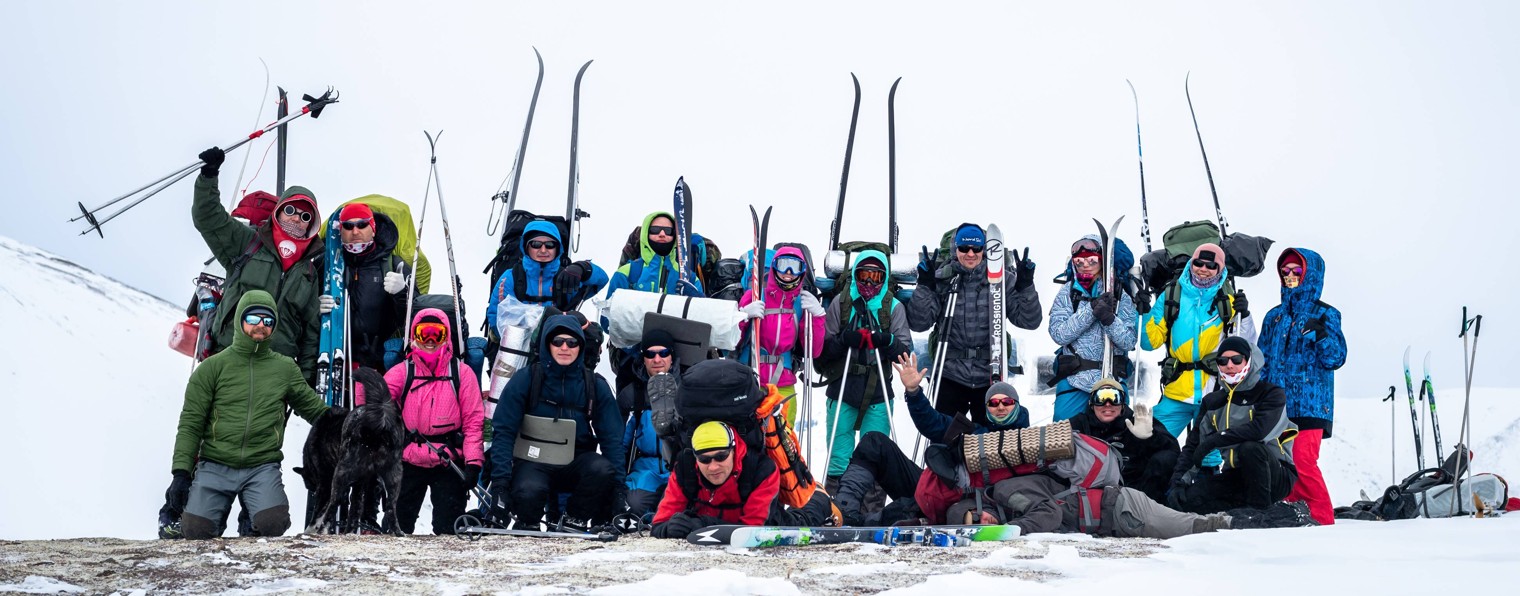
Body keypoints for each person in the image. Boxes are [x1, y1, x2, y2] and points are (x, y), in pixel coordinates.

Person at [164, 291, 334, 539]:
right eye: (254, 318)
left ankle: (254, 520)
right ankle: (213, 517)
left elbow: (315, 411)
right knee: (197, 531)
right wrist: (180, 474)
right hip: (215, 463)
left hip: (261, 466)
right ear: (240, 320)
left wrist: (349, 424)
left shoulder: (285, 368)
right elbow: (191, 423)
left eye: (268, 321)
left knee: (273, 523)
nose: (261, 326)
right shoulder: (212, 367)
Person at [830, 353, 1030, 527]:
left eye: (1007, 402)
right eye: (994, 403)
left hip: (967, 507)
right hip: (936, 491)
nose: (1001, 407)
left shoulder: (1030, 443)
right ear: (987, 408)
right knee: (874, 442)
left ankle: (868, 522)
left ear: (1017, 405)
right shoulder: (972, 433)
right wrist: (914, 392)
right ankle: (843, 510)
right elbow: (932, 422)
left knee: (902, 510)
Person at [192, 147, 324, 384]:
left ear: (312, 225)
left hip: (275, 374)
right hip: (228, 356)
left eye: (305, 216)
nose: (296, 218)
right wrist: (209, 177)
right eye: (291, 210)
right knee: (218, 421)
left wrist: (302, 384)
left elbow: (311, 333)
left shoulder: (309, 272)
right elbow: (208, 218)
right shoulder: (248, 242)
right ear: (279, 212)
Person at [489, 315, 625, 531]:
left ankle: (574, 518)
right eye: (557, 341)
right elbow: (504, 432)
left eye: (572, 343)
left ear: (580, 346)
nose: (565, 347)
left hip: (575, 461)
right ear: (547, 344)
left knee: (601, 470)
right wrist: (500, 486)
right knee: (528, 492)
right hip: (532, 460)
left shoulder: (594, 385)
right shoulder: (526, 379)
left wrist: (619, 490)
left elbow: (612, 440)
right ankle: (528, 519)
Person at [909, 224, 1042, 427]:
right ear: (955, 250)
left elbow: (1029, 321)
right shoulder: (943, 279)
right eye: (964, 248)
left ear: (984, 250)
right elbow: (919, 323)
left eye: (976, 249)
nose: (970, 254)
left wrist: (1025, 287)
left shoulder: (1002, 279)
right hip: (950, 373)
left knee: (991, 446)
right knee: (946, 438)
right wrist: (925, 287)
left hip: (990, 375)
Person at [367, 308, 485, 535]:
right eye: (424, 334)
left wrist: (473, 462)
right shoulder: (402, 372)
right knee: (396, 528)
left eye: (437, 334)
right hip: (408, 458)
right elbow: (376, 406)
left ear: (446, 337)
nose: (430, 341)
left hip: (448, 459)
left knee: (448, 530)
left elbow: (473, 421)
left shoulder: (462, 373)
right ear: (414, 336)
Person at [1258, 248, 1347, 526]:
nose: (1290, 275)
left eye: (1297, 270)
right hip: (1277, 404)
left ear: (1311, 274)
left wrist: (1320, 335)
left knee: (1303, 461)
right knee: (1284, 463)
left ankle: (1323, 518)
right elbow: (1261, 358)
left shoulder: (1326, 314)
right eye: (1285, 271)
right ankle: (1295, 514)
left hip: (1310, 403)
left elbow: (1336, 358)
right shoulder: (1273, 316)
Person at [1169, 337, 1299, 515]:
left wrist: (1215, 440)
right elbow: (1193, 446)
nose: (1229, 365)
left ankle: (1261, 517)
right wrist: (1178, 483)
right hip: (1237, 475)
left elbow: (1259, 431)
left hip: (1276, 474)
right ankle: (1240, 513)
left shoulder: (1270, 394)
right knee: (1188, 501)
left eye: (1237, 360)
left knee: (1250, 449)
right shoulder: (1213, 402)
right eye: (1223, 361)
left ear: (1248, 361)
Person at [1139, 242, 1256, 437]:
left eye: (1211, 266)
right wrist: (1143, 315)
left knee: (1207, 457)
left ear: (1220, 269)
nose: (1203, 270)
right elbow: (1149, 343)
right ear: (1191, 264)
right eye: (1198, 264)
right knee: (1154, 446)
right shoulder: (1171, 296)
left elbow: (1247, 346)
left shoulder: (1228, 302)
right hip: (1176, 392)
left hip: (1215, 392)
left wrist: (1245, 315)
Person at [818, 250, 912, 489]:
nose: (869, 282)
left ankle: (871, 509)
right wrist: (843, 340)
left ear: (885, 278)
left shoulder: (893, 307)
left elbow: (905, 355)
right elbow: (822, 353)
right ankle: (836, 504)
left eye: (876, 277)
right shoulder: (841, 303)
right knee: (839, 455)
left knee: (875, 452)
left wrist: (887, 341)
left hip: (878, 389)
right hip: (843, 385)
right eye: (863, 275)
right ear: (854, 275)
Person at [649, 421, 835, 539]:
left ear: (734, 451)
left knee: (803, 519)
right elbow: (658, 525)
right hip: (725, 520)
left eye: (721, 457)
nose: (713, 466)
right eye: (705, 459)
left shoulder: (761, 469)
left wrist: (700, 525)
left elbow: (752, 532)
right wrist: (671, 528)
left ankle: (819, 495)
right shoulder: (685, 467)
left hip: (770, 523)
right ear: (696, 458)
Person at [1047, 234, 1138, 422]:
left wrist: (1109, 319)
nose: (1085, 264)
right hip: (1075, 380)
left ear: (1103, 260)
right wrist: (1090, 311)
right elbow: (1058, 333)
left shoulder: (1120, 294)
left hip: (1112, 382)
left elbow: (1129, 341)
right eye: (1079, 261)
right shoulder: (1068, 292)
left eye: (1091, 259)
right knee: (1064, 440)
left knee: (1117, 439)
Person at [320, 202, 415, 371]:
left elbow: (413, 318)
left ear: (373, 228)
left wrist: (402, 292)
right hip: (337, 362)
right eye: (348, 226)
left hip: (382, 364)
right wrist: (315, 307)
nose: (355, 232)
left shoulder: (393, 265)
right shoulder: (326, 266)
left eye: (362, 224)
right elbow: (301, 311)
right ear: (340, 231)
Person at [737, 246, 827, 425]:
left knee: (782, 442)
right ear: (774, 267)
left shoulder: (801, 304)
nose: (788, 273)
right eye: (783, 264)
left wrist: (818, 317)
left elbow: (813, 351)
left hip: (783, 381)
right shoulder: (754, 296)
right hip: (749, 378)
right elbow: (732, 342)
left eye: (795, 267)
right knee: (748, 436)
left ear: (802, 271)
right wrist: (743, 316)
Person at [484, 220, 608, 333]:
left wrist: (584, 267)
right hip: (518, 344)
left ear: (557, 248)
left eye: (550, 245)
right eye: (536, 244)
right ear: (526, 248)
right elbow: (496, 317)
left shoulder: (567, 276)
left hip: (558, 346)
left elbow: (602, 279)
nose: (543, 250)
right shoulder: (511, 277)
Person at [1067, 394, 1178, 502]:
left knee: (1165, 459)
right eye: (1100, 398)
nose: (1108, 404)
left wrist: (1151, 438)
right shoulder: (1081, 423)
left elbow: (1173, 450)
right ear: (1092, 404)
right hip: (1089, 489)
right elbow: (1052, 438)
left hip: (1136, 490)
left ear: (1123, 404)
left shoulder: (1139, 420)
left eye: (1115, 398)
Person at [618, 329, 681, 518]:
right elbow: (620, 442)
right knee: (634, 504)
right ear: (643, 358)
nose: (657, 359)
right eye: (650, 354)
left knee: (675, 506)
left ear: (671, 357)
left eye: (663, 353)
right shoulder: (632, 394)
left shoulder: (686, 390)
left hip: (679, 466)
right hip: (646, 466)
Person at [606, 211, 705, 298]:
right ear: (646, 233)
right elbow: (608, 314)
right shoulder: (627, 273)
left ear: (675, 236)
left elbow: (702, 316)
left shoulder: (690, 279)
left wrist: (697, 300)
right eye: (655, 230)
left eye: (668, 231)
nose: (662, 234)